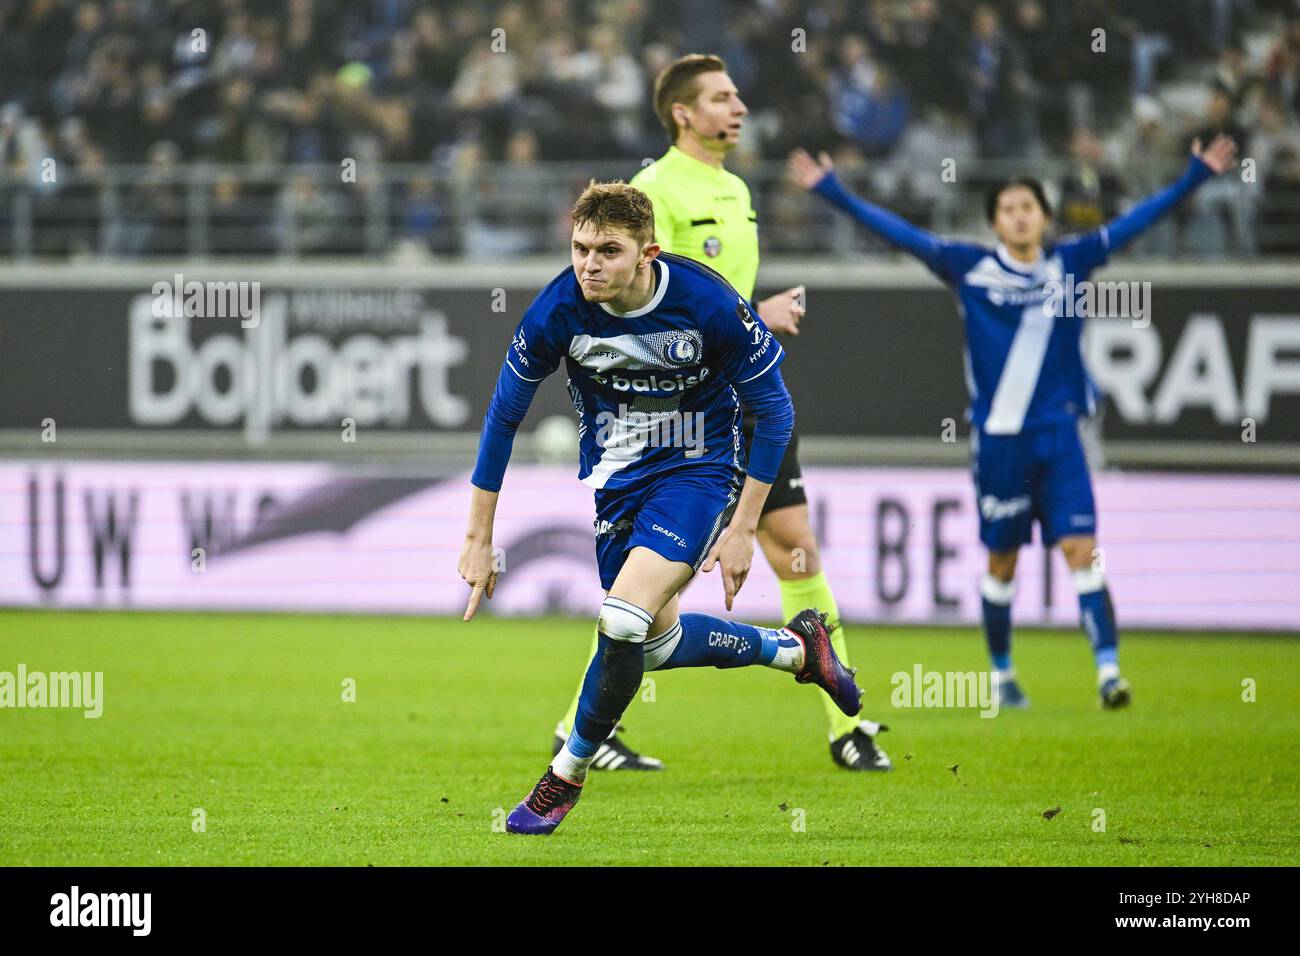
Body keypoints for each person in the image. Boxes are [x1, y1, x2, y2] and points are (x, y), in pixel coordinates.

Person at [458, 182, 863, 835]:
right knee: (652, 644)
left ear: (647, 253)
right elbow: (504, 416)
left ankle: (564, 775)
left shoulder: (706, 302)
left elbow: (775, 410)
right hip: (618, 485)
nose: (589, 264)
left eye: (608, 251)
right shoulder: (557, 309)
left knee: (619, 620)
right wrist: (479, 536)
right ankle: (796, 649)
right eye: (581, 247)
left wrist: (741, 525)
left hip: (699, 473)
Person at [789, 134, 1238, 709]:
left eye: (1030, 207)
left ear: (1046, 218)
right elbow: (899, 235)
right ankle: (1001, 674)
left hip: (1060, 438)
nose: (1021, 217)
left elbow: (1138, 222)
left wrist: (1195, 176)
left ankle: (1108, 673)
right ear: (996, 223)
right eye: (1009, 209)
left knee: (1083, 550)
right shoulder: (968, 267)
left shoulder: (1071, 262)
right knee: (1002, 562)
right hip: (999, 444)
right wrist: (832, 191)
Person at [547, 53, 892, 775]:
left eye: (738, 95)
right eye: (721, 97)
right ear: (683, 112)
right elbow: (654, 301)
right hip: (687, 410)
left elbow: (722, 300)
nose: (738, 108)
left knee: (796, 543)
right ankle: (583, 729)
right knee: (650, 582)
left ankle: (845, 723)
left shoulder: (735, 188)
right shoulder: (651, 189)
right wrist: (754, 314)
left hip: (746, 392)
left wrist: (752, 323)